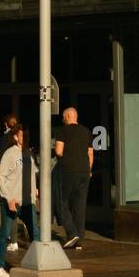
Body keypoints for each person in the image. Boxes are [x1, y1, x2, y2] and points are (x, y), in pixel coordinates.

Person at [55, 106, 93, 250]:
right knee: (80, 205)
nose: (62, 119)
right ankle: (79, 240)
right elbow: (90, 154)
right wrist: (89, 170)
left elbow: (59, 151)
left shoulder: (62, 131)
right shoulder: (86, 131)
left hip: (68, 171)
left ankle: (71, 233)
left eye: (63, 117)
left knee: (62, 202)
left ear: (67, 116)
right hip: (84, 171)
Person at [0, 124, 26, 277]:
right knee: (4, 233)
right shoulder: (9, 154)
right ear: (15, 137)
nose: (24, 138)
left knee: (37, 233)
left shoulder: (27, 153)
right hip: (11, 200)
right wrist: (8, 197)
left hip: (25, 200)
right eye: (22, 135)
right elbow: (1, 179)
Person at [0, 114, 22, 252]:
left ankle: (12, 240)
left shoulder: (3, 139)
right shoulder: (20, 138)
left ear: (6, 124)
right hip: (21, 178)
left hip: (8, 178)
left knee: (8, 210)